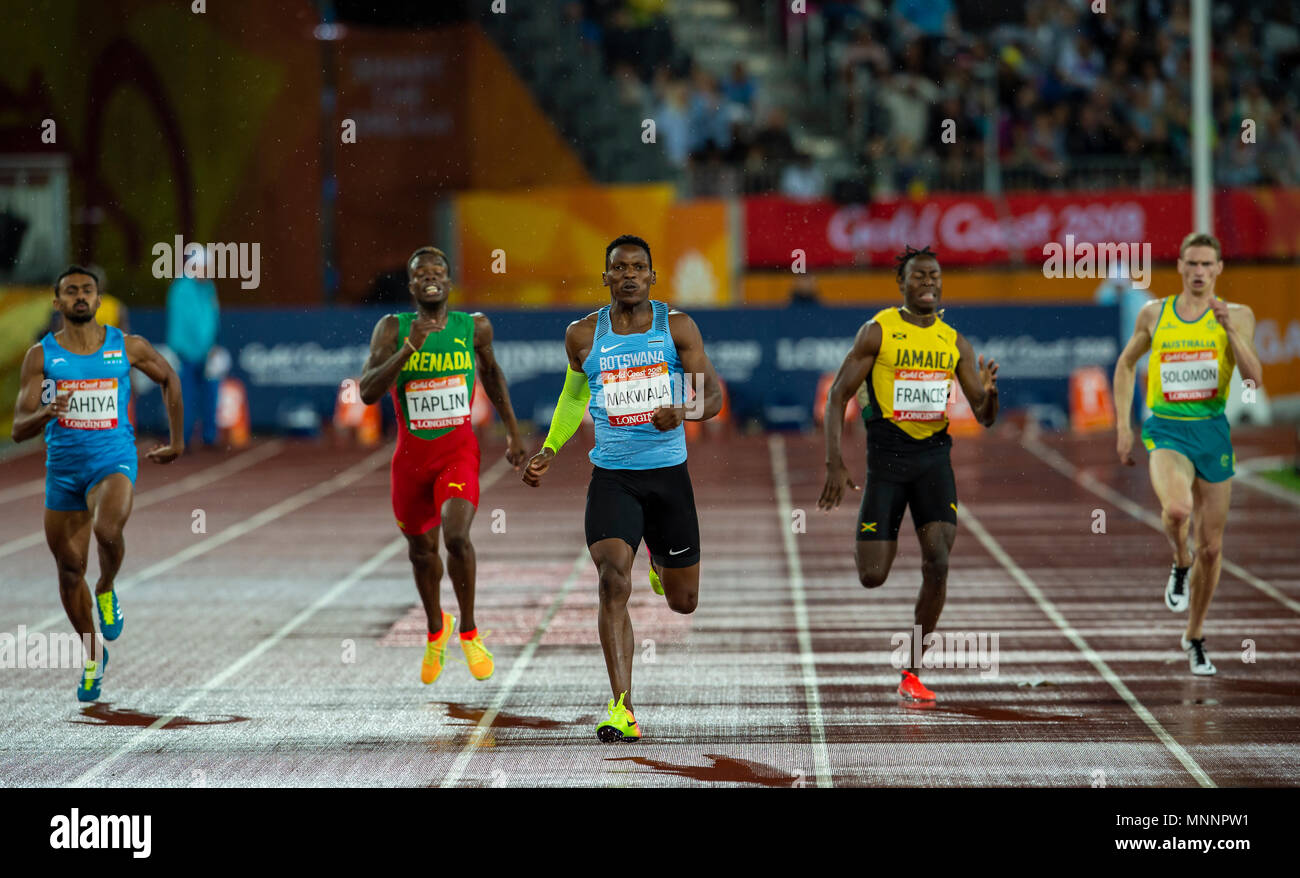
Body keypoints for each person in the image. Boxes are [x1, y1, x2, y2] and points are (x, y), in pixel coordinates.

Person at [522, 234, 723, 742]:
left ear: (652, 276)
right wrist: (550, 447)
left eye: (638, 267)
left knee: (684, 602)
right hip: (613, 477)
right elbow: (573, 398)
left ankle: (657, 554)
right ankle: (621, 707)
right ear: (605, 276)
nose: (629, 274)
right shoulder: (582, 335)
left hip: (668, 477)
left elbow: (714, 397)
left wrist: (683, 411)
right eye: (620, 267)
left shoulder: (677, 327)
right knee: (612, 579)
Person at [818, 245, 999, 702]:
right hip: (887, 463)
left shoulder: (954, 342)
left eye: (934, 275)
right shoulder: (878, 331)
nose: (928, 283)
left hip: (934, 461)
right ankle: (882, 531)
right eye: (919, 276)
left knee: (938, 561)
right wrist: (835, 462)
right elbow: (838, 396)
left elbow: (984, 415)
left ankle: (912, 670)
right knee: (872, 575)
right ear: (901, 283)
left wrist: (991, 396)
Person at [10, 266, 184, 702]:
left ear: (98, 298)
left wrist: (177, 441)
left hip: (113, 461)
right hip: (64, 472)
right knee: (70, 571)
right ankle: (92, 656)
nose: (80, 296)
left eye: (87, 290)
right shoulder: (41, 357)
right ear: (58, 302)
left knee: (108, 530)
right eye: (71, 291)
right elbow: (18, 428)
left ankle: (106, 586)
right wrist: (45, 413)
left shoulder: (126, 347)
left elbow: (169, 378)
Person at [359, 246, 526, 685]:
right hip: (410, 462)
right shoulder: (392, 328)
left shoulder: (473, 327)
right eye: (421, 273)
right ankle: (437, 629)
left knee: (456, 536)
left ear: (449, 282)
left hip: (457, 454)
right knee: (421, 552)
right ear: (412, 285)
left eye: (438, 271)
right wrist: (407, 349)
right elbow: (367, 391)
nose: (430, 278)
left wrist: (512, 431)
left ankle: (469, 630)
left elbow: (492, 373)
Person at [1113, 232, 1262, 675]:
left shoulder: (1238, 315)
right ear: (1179, 266)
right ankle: (1180, 559)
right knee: (1177, 511)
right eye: (1191, 263)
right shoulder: (1154, 314)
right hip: (1167, 429)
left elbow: (1252, 379)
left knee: (1212, 549)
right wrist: (1122, 426)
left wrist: (1229, 329)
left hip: (1212, 433)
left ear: (1218, 269)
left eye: (1206, 264)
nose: (1199, 272)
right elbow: (1125, 363)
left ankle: (1194, 635)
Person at [166, 251, 220, 449]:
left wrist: (211, 346)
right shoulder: (182, 288)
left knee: (210, 395)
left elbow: (212, 317)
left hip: (205, 352)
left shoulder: (208, 287)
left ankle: (209, 436)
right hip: (185, 353)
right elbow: (186, 323)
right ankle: (183, 438)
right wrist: (197, 348)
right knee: (185, 397)